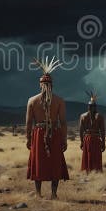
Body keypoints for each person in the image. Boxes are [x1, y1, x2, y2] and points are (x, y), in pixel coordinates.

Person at [26, 56, 69, 199]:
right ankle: (53, 194)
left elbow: (28, 122)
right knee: (55, 162)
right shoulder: (59, 101)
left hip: (38, 133)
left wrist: (28, 138)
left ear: (40, 85)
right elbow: (62, 122)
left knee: (38, 161)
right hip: (54, 133)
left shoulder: (32, 100)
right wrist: (64, 139)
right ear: (52, 85)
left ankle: (38, 194)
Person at [79, 90, 105, 173]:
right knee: (94, 156)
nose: (92, 108)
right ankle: (94, 171)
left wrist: (82, 142)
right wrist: (103, 142)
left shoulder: (83, 116)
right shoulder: (100, 116)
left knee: (90, 155)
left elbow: (81, 131)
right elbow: (102, 131)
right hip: (95, 138)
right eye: (92, 106)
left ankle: (89, 172)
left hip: (88, 138)